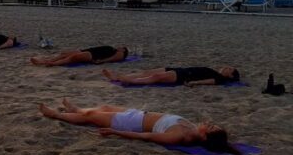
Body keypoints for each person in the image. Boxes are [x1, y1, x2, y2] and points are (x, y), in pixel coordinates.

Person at [38, 100, 240, 154]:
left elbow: (147, 137)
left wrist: (115, 132)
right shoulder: (192, 127)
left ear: (205, 138)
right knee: (105, 107)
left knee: (92, 117)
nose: (209, 123)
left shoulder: (179, 136)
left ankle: (57, 115)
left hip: (132, 123)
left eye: (211, 127)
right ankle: (78, 109)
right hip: (140, 115)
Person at [103, 66, 240, 86]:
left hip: (184, 75)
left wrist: (194, 83)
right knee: (149, 72)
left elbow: (210, 81)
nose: (226, 67)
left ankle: (127, 80)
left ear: (231, 76)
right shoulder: (216, 72)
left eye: (229, 69)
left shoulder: (220, 78)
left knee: (156, 76)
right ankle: (121, 76)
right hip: (181, 70)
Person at [30, 45, 128, 66]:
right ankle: (46, 60)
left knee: (72, 58)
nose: (119, 45)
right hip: (88, 50)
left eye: (122, 46)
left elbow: (114, 58)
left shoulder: (121, 53)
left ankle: (50, 63)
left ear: (123, 50)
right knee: (64, 54)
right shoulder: (113, 49)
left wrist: (102, 61)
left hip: (93, 55)